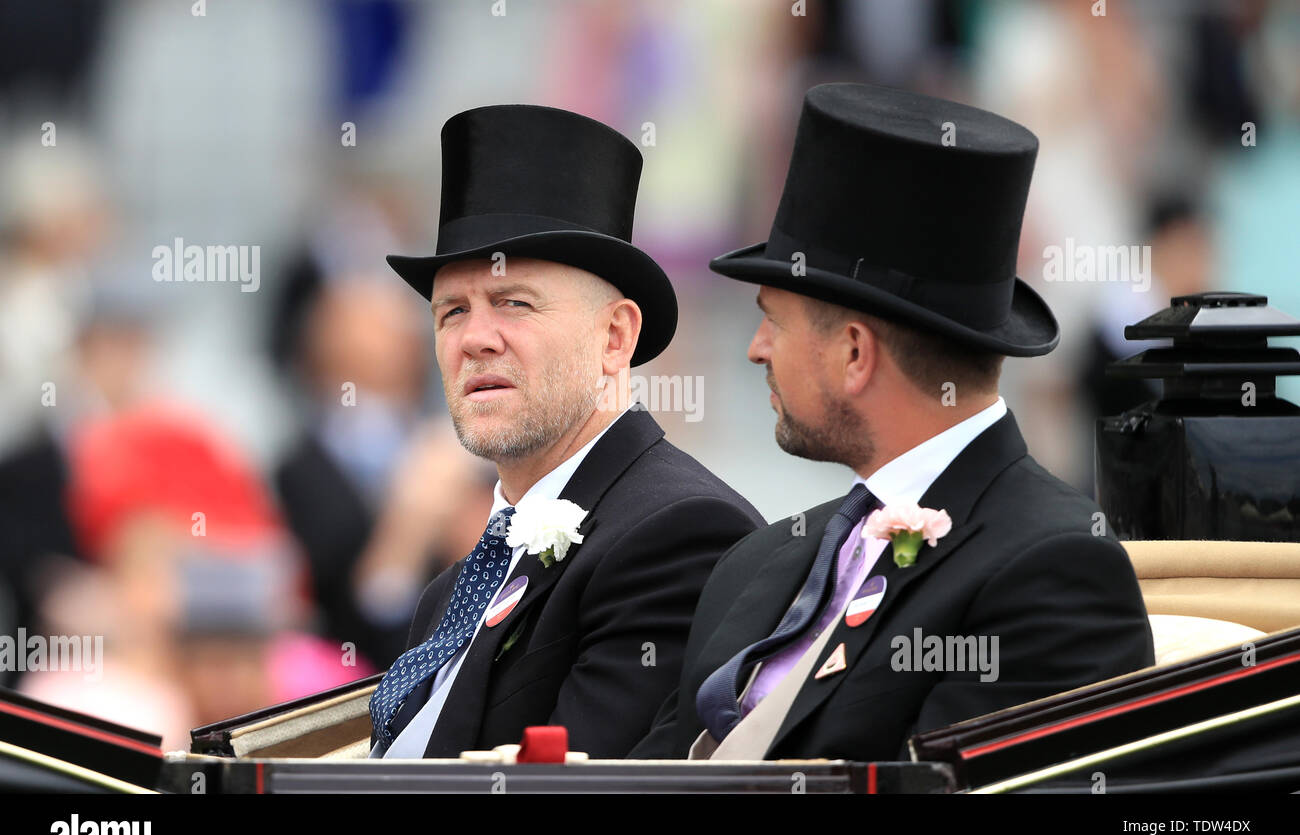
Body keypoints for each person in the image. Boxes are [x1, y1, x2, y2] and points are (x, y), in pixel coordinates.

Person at [631, 83, 1154, 762]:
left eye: (773, 319)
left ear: (854, 354)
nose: (754, 347)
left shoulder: (1052, 572)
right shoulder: (760, 562)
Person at [369, 104, 763, 759]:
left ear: (616, 337)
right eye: (451, 312)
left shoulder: (676, 535)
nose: (474, 339)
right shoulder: (453, 589)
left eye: (514, 303)